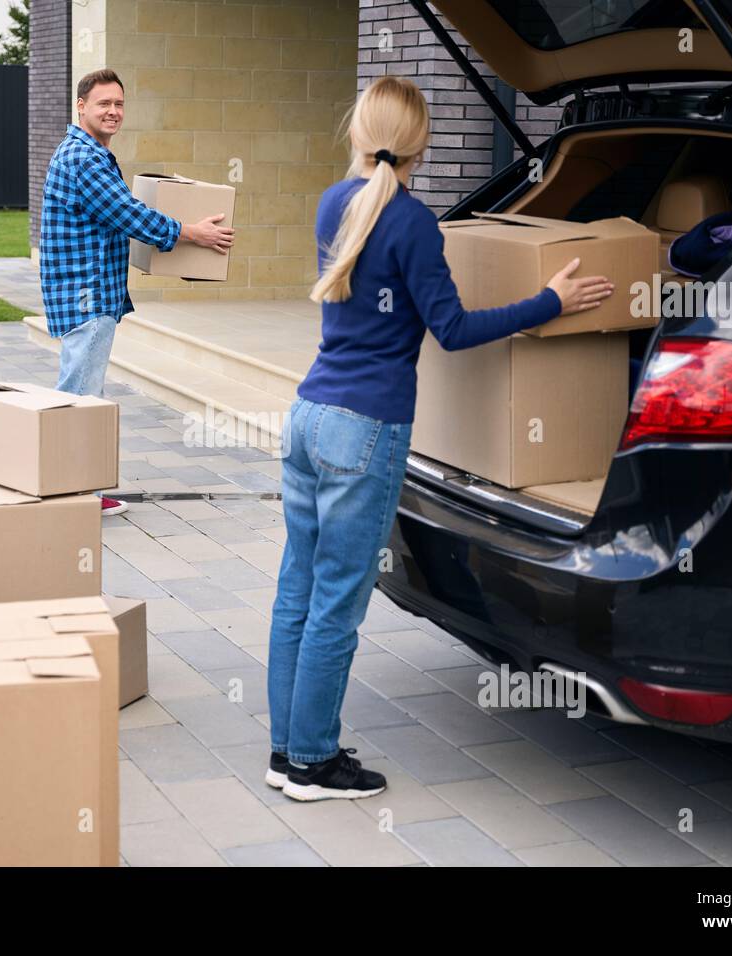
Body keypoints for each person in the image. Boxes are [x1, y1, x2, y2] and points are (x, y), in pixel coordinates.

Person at [266, 76, 614, 801]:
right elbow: (452, 331)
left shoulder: (335, 202)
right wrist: (552, 300)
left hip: (308, 417)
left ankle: (287, 751)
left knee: (297, 593)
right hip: (365, 430)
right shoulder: (414, 222)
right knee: (336, 602)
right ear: (422, 143)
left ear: (357, 131)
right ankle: (313, 764)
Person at [39, 68, 234, 515]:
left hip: (87, 294)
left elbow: (118, 215)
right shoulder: (83, 159)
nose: (113, 111)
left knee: (80, 395)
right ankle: (73, 497)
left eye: (119, 104)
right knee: (81, 399)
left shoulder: (88, 153)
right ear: (81, 106)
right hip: (85, 297)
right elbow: (128, 214)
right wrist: (192, 234)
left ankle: (75, 491)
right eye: (104, 103)